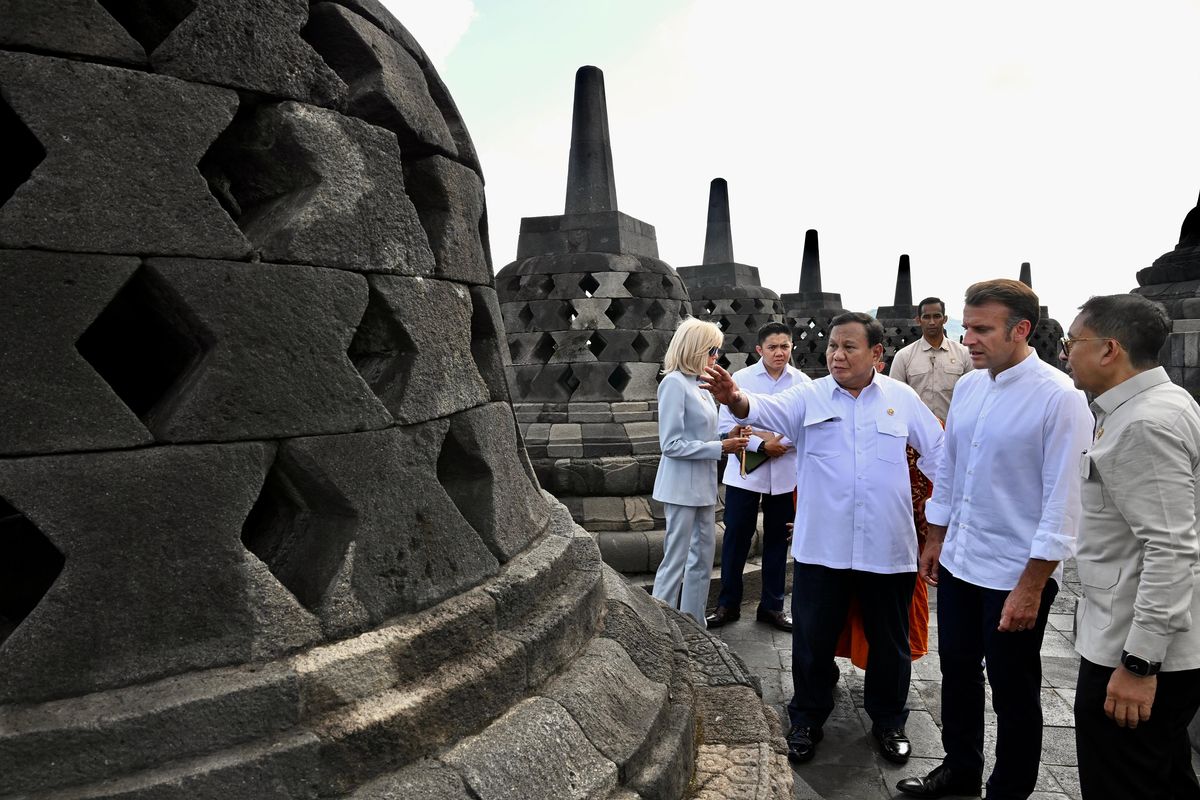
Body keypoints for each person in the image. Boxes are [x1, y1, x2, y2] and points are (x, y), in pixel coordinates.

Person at [701, 312, 944, 765]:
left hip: (887, 549)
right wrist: (733, 397)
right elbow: (756, 409)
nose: (837, 354)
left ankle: (889, 721)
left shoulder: (902, 399)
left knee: (889, 643)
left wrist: (937, 532)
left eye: (849, 346)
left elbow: (940, 459)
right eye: (833, 345)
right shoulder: (809, 397)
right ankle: (807, 718)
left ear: (876, 353)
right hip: (822, 549)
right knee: (812, 640)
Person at [898, 279, 1092, 800]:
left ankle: (1009, 788)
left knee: (1013, 687)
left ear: (1021, 330)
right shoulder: (970, 387)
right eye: (968, 327)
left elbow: (1062, 502)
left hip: (1015, 571)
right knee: (957, 673)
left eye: (982, 329)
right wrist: (935, 536)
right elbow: (952, 469)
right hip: (961, 560)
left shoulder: (1059, 399)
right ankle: (960, 767)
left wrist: (1032, 585)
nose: (970, 340)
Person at [1062, 294, 1200, 800]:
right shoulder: (1151, 405)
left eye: (1072, 342)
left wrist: (1141, 664)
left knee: (1121, 782)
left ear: (1109, 350)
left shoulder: (1144, 423)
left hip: (1131, 647)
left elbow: (1171, 548)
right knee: (1163, 778)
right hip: (1129, 635)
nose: (1064, 352)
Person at [706, 322, 810, 632]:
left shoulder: (803, 382)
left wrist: (782, 443)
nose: (780, 352)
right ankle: (728, 604)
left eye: (785, 347)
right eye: (773, 347)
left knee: (779, 541)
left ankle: (773, 606)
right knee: (736, 537)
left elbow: (807, 424)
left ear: (792, 348)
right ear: (759, 350)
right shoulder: (741, 379)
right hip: (745, 474)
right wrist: (764, 444)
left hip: (785, 473)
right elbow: (727, 424)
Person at [652, 317, 749, 627]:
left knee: (703, 559)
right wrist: (721, 448)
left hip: (704, 486)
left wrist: (728, 437)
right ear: (695, 348)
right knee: (676, 559)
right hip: (681, 486)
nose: (715, 357)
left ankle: (694, 623)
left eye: (717, 351)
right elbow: (671, 444)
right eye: (712, 350)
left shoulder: (702, 385)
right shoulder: (673, 383)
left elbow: (702, 436)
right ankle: (661, 624)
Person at [889, 296, 972, 421]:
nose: (932, 322)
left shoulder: (963, 354)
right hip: (916, 432)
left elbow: (972, 395)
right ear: (918, 320)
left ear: (945, 319)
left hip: (953, 430)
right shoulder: (904, 356)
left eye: (937, 316)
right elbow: (894, 396)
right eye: (926, 317)